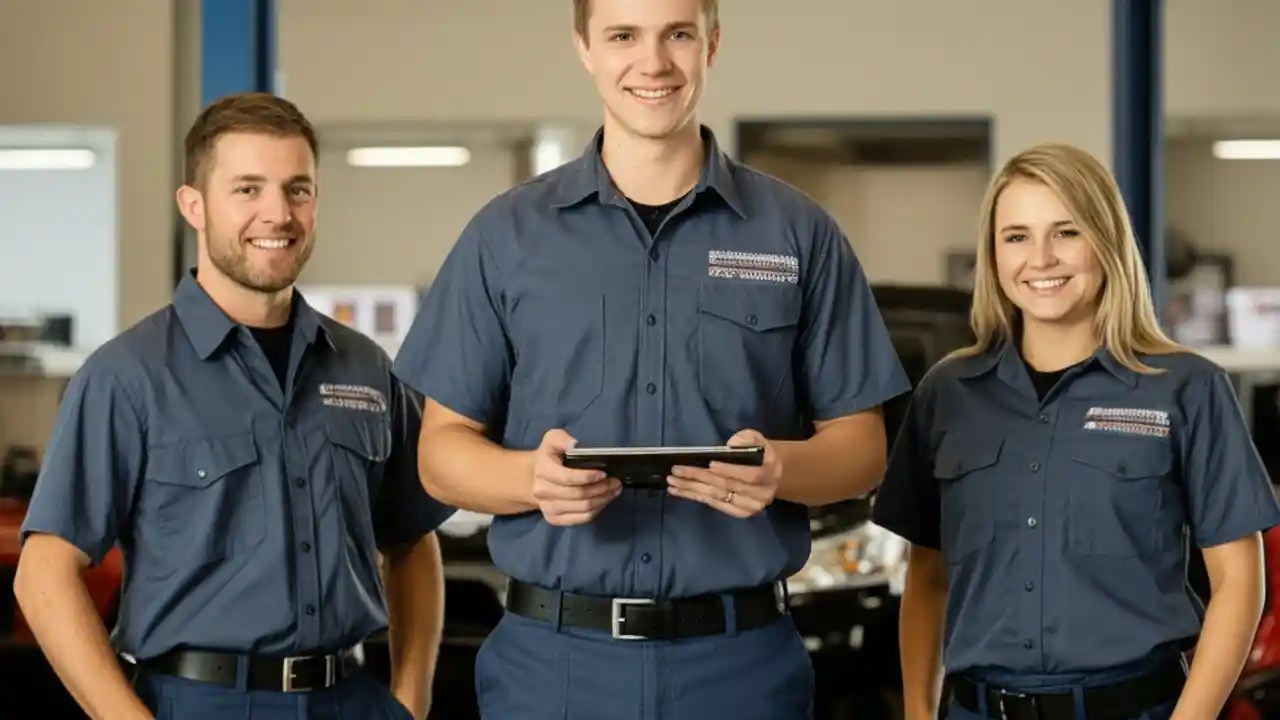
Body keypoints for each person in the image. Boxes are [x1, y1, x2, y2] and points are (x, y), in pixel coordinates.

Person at [390, 0, 910, 716]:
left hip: (742, 668)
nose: (653, 62)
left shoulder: (799, 235)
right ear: (585, 47)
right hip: (554, 670)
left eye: (677, 35)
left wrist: (781, 471)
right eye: (623, 36)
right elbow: (440, 453)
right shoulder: (505, 238)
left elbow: (863, 449)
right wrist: (529, 479)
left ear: (712, 44)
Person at [14, 92, 454, 720]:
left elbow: (412, 540)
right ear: (193, 206)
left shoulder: (364, 366)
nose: (277, 214)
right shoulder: (126, 376)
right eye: (247, 190)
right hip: (197, 702)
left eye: (296, 189)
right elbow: (43, 574)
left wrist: (411, 700)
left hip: (352, 699)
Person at [872, 142, 1280, 720]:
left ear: (1105, 242)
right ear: (992, 255)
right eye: (1016, 236)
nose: (1041, 259)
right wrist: (918, 712)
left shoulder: (1186, 389)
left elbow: (1239, 583)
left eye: (1066, 232)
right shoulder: (948, 393)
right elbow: (928, 575)